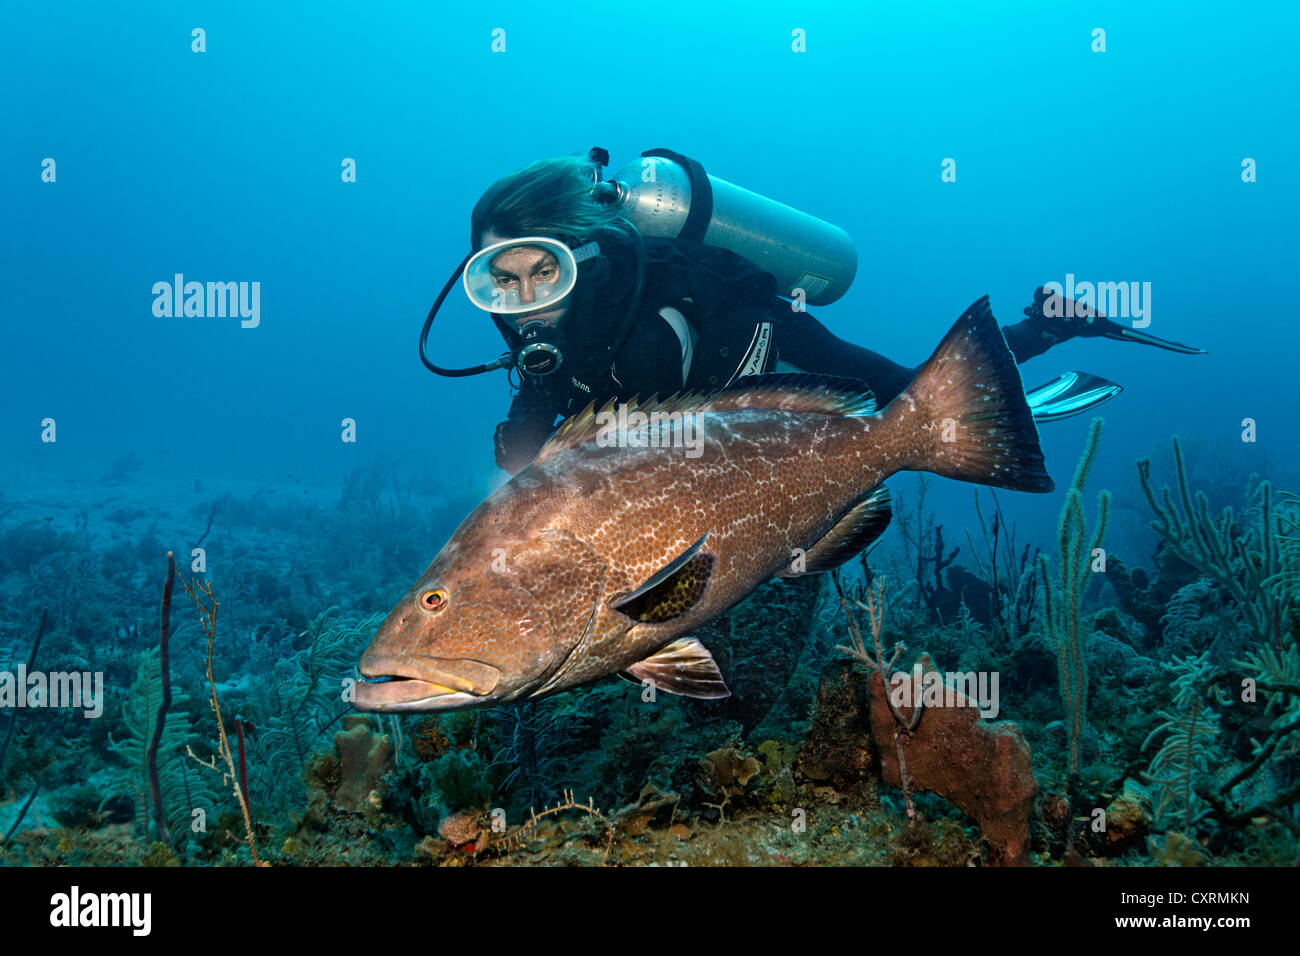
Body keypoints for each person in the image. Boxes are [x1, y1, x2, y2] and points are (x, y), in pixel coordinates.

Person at [446, 154, 1199, 475]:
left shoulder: (649, 292)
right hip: (692, 415)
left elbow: (729, 328)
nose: (526, 300)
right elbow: (541, 406)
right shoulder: (542, 336)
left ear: (583, 254)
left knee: (919, 394)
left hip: (771, 337)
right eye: (499, 281)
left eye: (544, 271)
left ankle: (1049, 325)